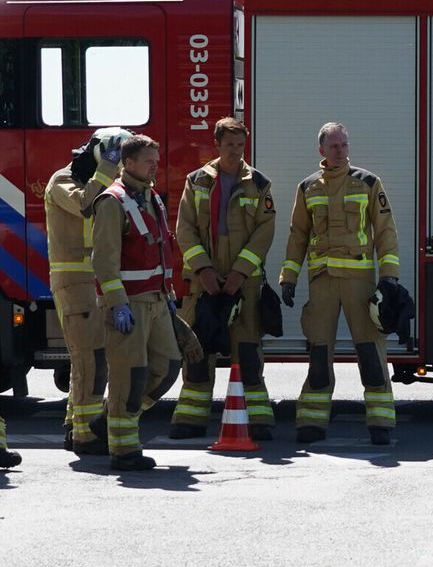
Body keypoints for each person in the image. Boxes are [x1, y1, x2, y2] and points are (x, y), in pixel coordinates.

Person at [280, 122, 400, 446]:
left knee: (371, 354)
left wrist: (389, 278)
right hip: (322, 283)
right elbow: (298, 237)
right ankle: (312, 422)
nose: (341, 151)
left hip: (360, 282)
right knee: (319, 355)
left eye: (345, 145)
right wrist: (288, 277)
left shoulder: (368, 183)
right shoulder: (308, 187)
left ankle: (380, 423)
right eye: (334, 146)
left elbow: (385, 232)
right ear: (321, 150)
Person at [169, 117, 277, 440]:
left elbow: (264, 232)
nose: (235, 151)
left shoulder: (259, 184)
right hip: (203, 285)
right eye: (229, 144)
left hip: (243, 286)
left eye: (240, 144)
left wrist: (239, 272)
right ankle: (190, 418)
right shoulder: (197, 181)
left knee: (247, 353)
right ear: (217, 144)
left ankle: (258, 420)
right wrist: (203, 270)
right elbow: (184, 229)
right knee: (198, 352)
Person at [91, 135, 181, 472]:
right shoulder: (112, 202)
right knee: (130, 377)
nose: (154, 165)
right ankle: (124, 450)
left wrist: (169, 296)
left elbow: (161, 249)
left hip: (157, 300)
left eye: (156, 160)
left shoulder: (151, 197)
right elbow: (104, 262)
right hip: (130, 304)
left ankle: (108, 419)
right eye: (148, 160)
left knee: (169, 367)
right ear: (127, 163)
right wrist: (117, 303)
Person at [44, 127, 132, 454]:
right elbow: (84, 205)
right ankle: (87, 435)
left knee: (90, 359)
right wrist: (108, 169)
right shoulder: (61, 181)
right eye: (114, 154)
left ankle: (74, 425)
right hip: (74, 282)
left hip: (94, 281)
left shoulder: (103, 180)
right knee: (89, 360)